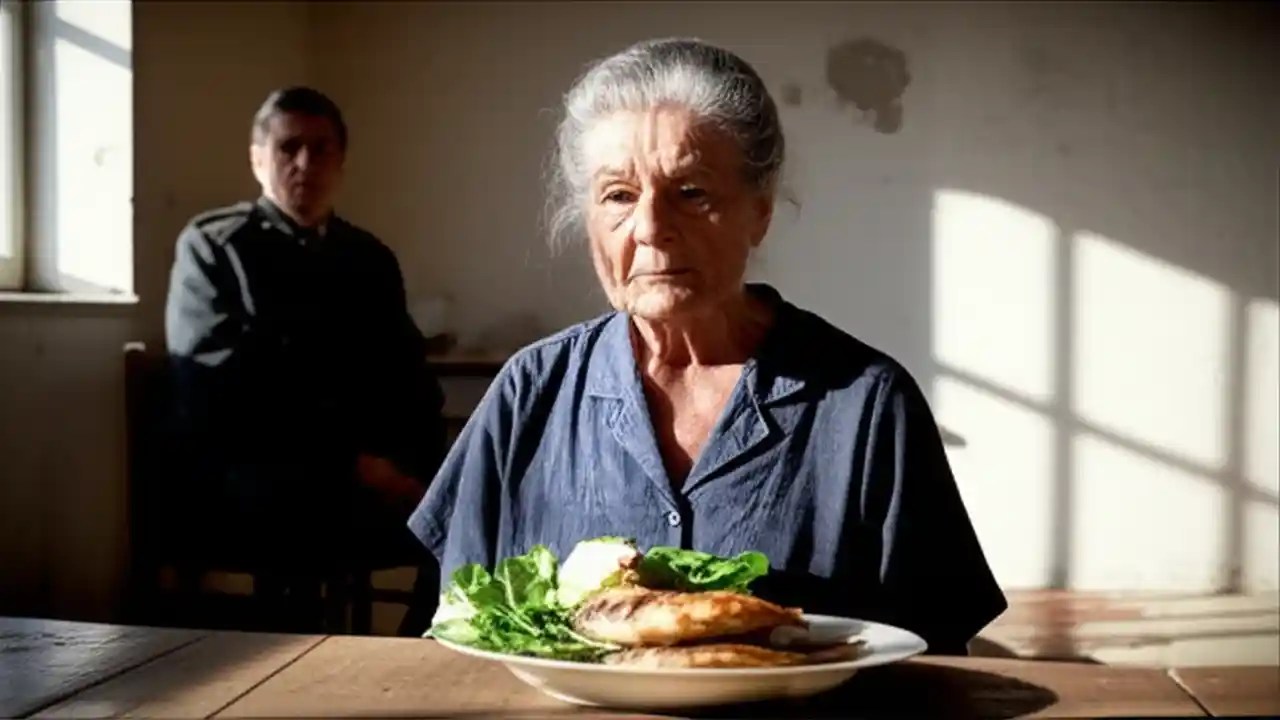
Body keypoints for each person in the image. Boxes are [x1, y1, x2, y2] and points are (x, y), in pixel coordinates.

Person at [408, 39, 1005, 654]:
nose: (649, 228)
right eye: (618, 195)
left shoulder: (865, 405)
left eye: (691, 193)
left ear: (760, 212)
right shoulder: (530, 392)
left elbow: (935, 659)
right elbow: (454, 628)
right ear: (587, 217)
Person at [165, 86, 446, 636]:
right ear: (257, 157)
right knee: (289, 507)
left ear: (341, 160)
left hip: (366, 473)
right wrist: (352, 460)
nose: (304, 164)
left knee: (465, 505)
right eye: (288, 147)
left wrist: (420, 467)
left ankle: (411, 662)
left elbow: (407, 377)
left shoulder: (368, 258)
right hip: (253, 471)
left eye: (321, 149)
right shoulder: (216, 247)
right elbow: (223, 390)